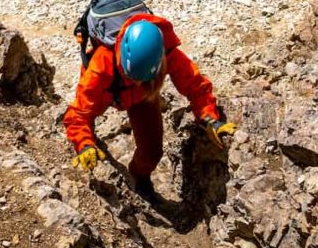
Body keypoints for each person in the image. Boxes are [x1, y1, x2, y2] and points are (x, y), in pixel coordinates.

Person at [63, 11, 235, 201]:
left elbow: (195, 84)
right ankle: (91, 139)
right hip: (108, 90)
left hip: (143, 96)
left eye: (143, 79)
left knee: (152, 153)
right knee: (87, 121)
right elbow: (78, 113)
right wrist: (84, 144)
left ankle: (140, 177)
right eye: (133, 77)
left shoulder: (164, 52)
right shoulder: (102, 64)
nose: (137, 82)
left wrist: (209, 118)